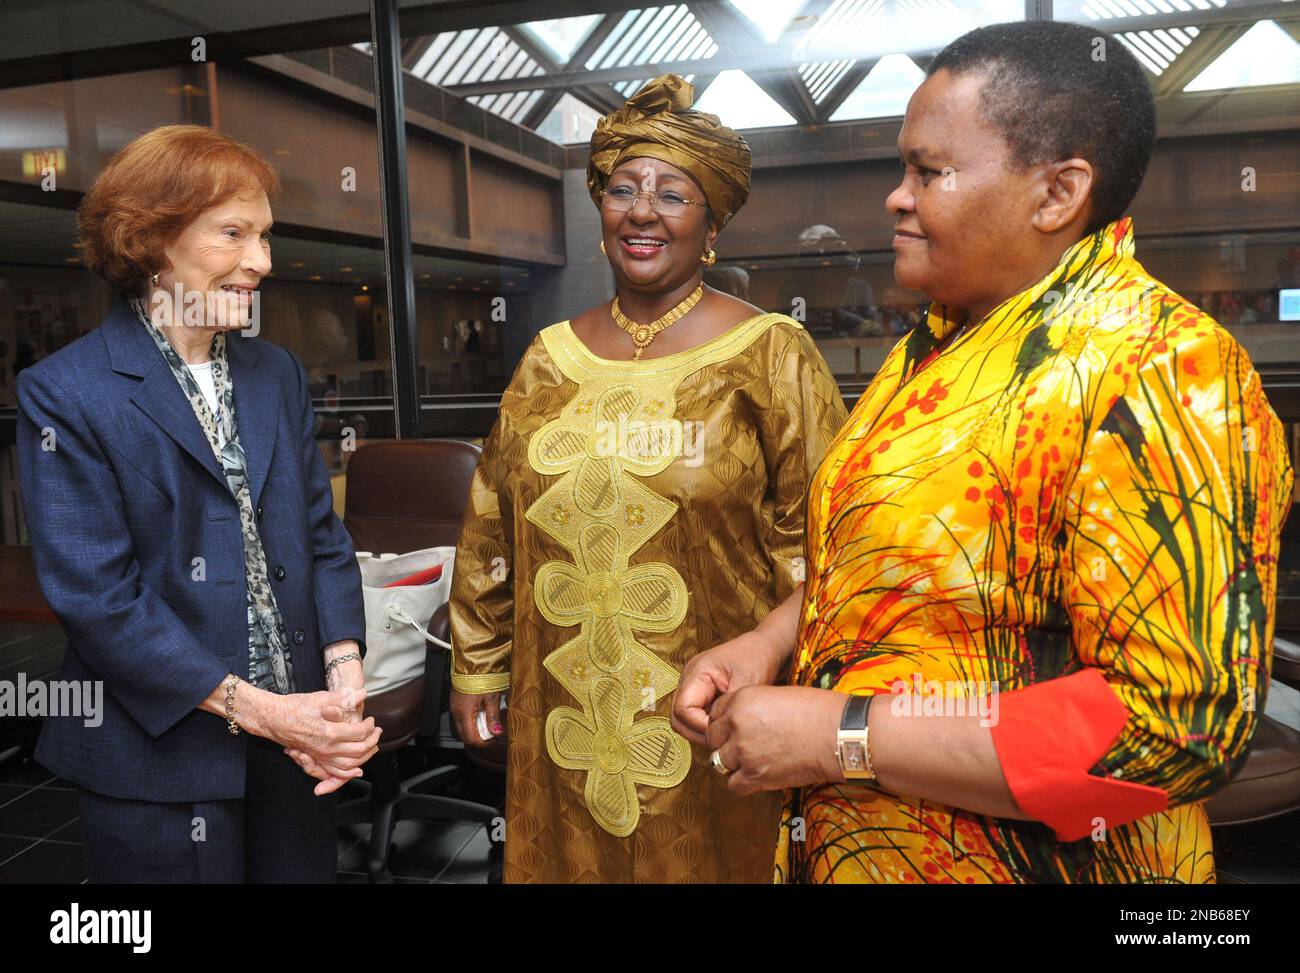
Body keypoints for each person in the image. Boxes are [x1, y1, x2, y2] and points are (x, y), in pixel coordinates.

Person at [673, 22, 1294, 884]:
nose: (895, 196)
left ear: (1057, 193)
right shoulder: (940, 340)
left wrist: (836, 733)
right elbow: (912, 566)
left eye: (928, 172)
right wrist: (769, 642)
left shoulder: (1157, 366)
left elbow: (1173, 725)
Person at [448, 74, 847, 882]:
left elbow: (828, 535)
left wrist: (811, 688)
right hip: (565, 702)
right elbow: (493, 516)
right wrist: (478, 661)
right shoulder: (547, 357)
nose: (642, 210)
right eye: (623, 189)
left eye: (673, 193)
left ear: (711, 225)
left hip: (715, 712)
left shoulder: (770, 353)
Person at [16, 125, 381, 883]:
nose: (262, 261)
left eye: (266, 237)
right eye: (234, 234)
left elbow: (320, 536)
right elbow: (100, 600)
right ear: (151, 239)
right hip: (159, 759)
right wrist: (264, 711)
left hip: (296, 744)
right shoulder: (66, 392)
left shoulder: (273, 371)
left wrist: (342, 678)